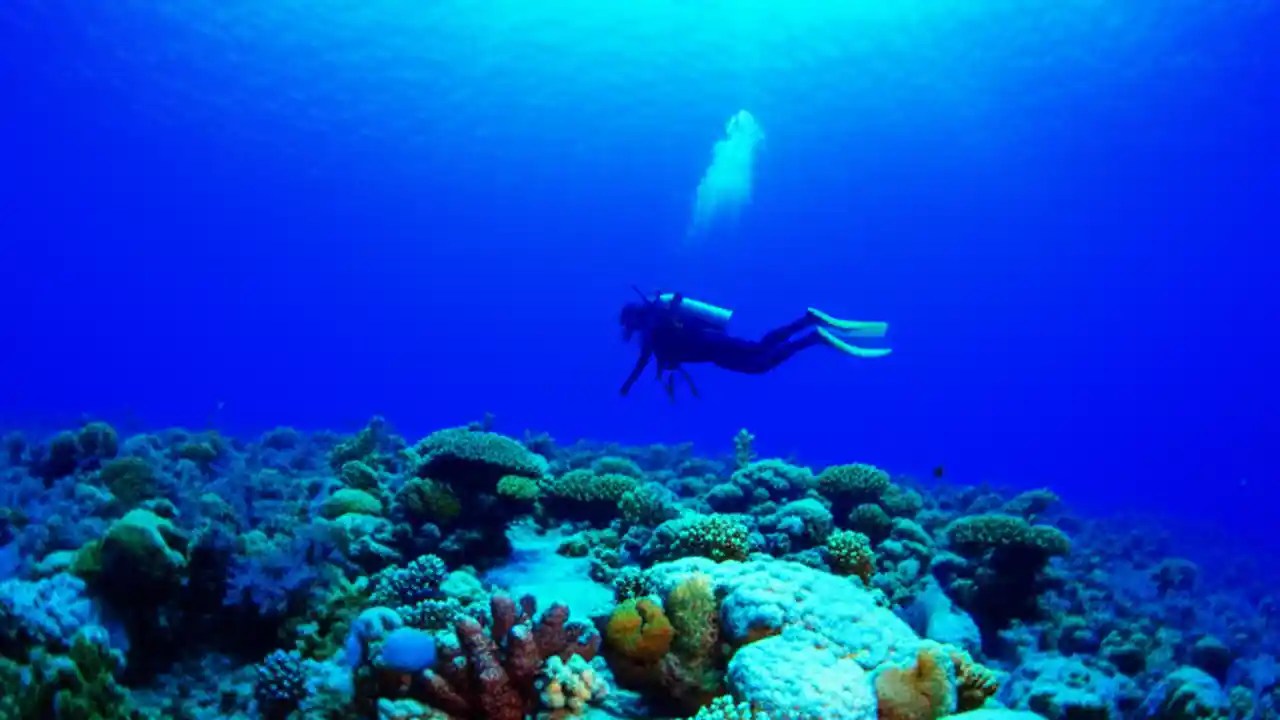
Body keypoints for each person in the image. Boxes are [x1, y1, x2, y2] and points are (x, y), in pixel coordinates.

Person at [618, 289, 891, 398]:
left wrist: (628, 385)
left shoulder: (653, 328)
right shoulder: (653, 328)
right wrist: (628, 385)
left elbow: (645, 358)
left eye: (628, 324)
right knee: (759, 362)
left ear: (634, 318)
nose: (628, 330)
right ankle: (809, 332)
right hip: (713, 351)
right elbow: (644, 360)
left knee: (760, 352)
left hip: (713, 345)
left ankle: (810, 327)